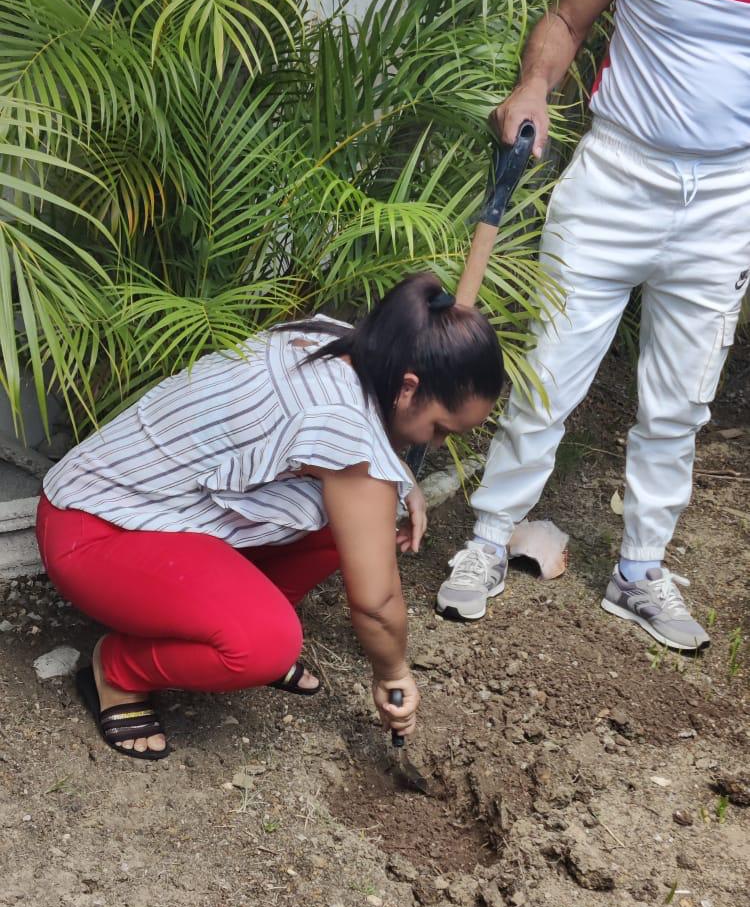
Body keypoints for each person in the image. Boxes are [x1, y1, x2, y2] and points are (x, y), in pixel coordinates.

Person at [36, 273, 503, 759]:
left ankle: (239, 617)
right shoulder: (343, 425)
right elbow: (377, 603)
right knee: (266, 644)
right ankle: (117, 670)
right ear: (408, 388)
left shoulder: (336, 341)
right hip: (91, 529)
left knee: (351, 522)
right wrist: (393, 674)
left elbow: (359, 445)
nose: (437, 444)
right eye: (440, 429)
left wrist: (398, 478)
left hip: (153, 507)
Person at [437, 0, 750, 650]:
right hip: (619, 176)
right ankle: (490, 540)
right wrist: (532, 87)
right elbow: (566, 20)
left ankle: (639, 571)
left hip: (729, 196)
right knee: (548, 374)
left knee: (680, 404)